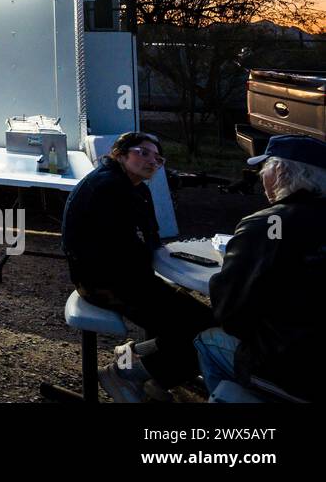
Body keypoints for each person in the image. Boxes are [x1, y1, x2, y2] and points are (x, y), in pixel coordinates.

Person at [61, 131, 214, 401]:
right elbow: (126, 248)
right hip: (104, 283)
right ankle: (124, 375)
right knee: (202, 327)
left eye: (157, 158)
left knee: (197, 319)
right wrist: (151, 266)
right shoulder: (109, 187)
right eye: (142, 153)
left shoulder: (134, 187)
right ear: (119, 154)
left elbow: (150, 236)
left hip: (123, 278)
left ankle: (140, 361)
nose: (152, 161)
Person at [194, 135, 326, 401]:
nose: (260, 176)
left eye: (263, 168)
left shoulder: (265, 224)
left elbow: (229, 315)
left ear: (278, 171)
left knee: (206, 340)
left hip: (295, 368)